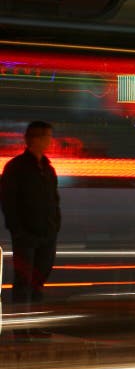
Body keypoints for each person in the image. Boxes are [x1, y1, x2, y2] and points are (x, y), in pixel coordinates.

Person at [1, 121, 60, 313]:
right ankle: (23, 328)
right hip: (27, 235)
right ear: (36, 139)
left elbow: (53, 199)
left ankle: (32, 324)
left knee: (37, 280)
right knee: (25, 282)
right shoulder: (17, 167)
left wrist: (54, 226)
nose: (50, 141)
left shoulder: (47, 168)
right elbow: (8, 201)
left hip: (45, 233)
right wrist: (18, 230)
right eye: (48, 137)